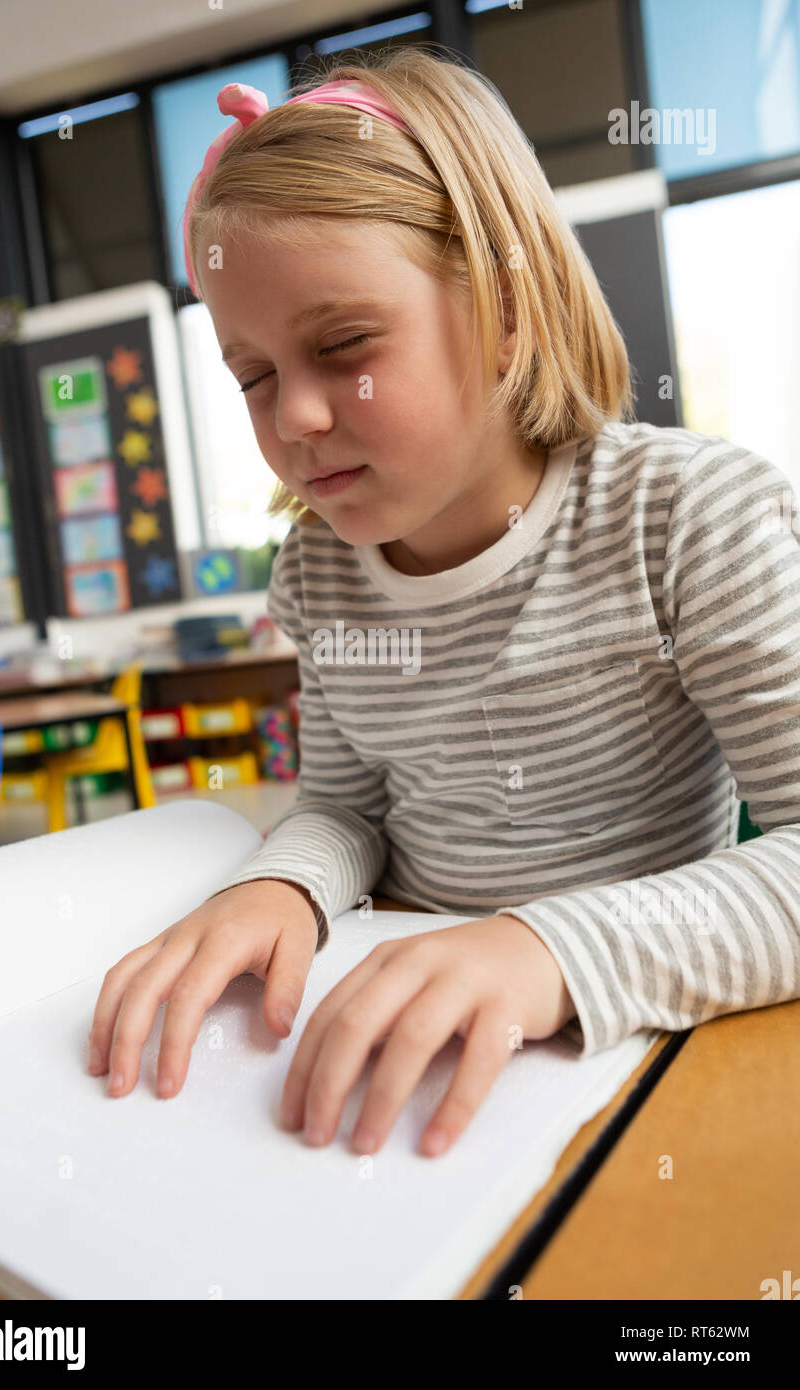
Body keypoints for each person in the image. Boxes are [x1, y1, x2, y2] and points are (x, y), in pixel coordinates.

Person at [87, 47, 800, 1160]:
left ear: (506, 306)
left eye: (342, 346)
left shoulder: (685, 518)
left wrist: (543, 952)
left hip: (631, 1081)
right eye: (253, 375)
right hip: (400, 1069)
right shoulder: (316, 576)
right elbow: (346, 808)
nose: (296, 418)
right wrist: (284, 883)